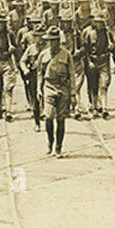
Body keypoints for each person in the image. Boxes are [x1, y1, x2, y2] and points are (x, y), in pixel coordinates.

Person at [38, 28, 74, 156]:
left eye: (55, 41)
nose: (52, 44)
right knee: (48, 117)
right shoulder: (43, 55)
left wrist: (73, 94)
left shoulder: (66, 55)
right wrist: (39, 89)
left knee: (61, 119)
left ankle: (58, 147)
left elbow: (72, 75)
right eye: (50, 41)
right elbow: (40, 73)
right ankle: (50, 142)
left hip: (63, 88)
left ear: (59, 41)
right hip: (49, 87)